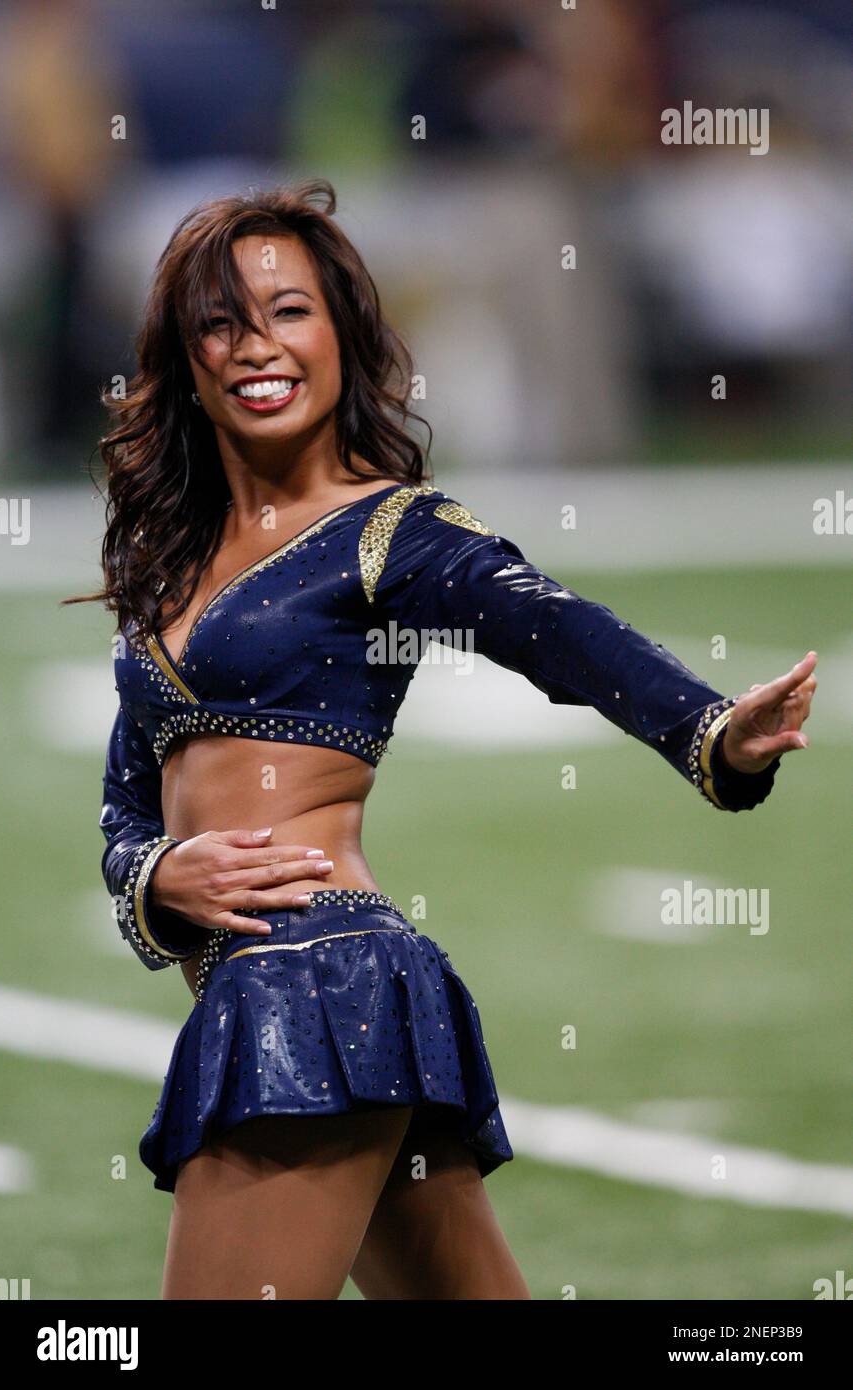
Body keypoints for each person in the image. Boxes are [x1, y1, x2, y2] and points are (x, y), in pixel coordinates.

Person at [70, 180, 816, 1300]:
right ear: (182, 357)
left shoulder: (391, 533)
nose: (255, 347)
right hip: (316, 994)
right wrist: (162, 874)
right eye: (220, 322)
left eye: (289, 312)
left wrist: (709, 729)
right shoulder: (163, 566)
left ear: (342, 335)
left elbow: (552, 626)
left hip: (308, 983)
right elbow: (126, 807)